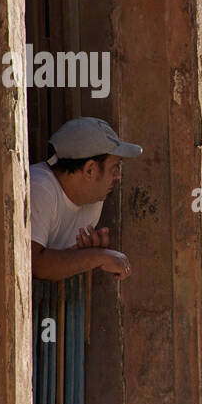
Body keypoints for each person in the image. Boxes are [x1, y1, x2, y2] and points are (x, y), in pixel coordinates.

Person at [30, 117, 142, 281]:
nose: (118, 176)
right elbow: (36, 265)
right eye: (114, 168)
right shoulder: (40, 188)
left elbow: (61, 264)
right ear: (90, 170)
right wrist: (98, 257)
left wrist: (85, 255)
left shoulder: (94, 200)